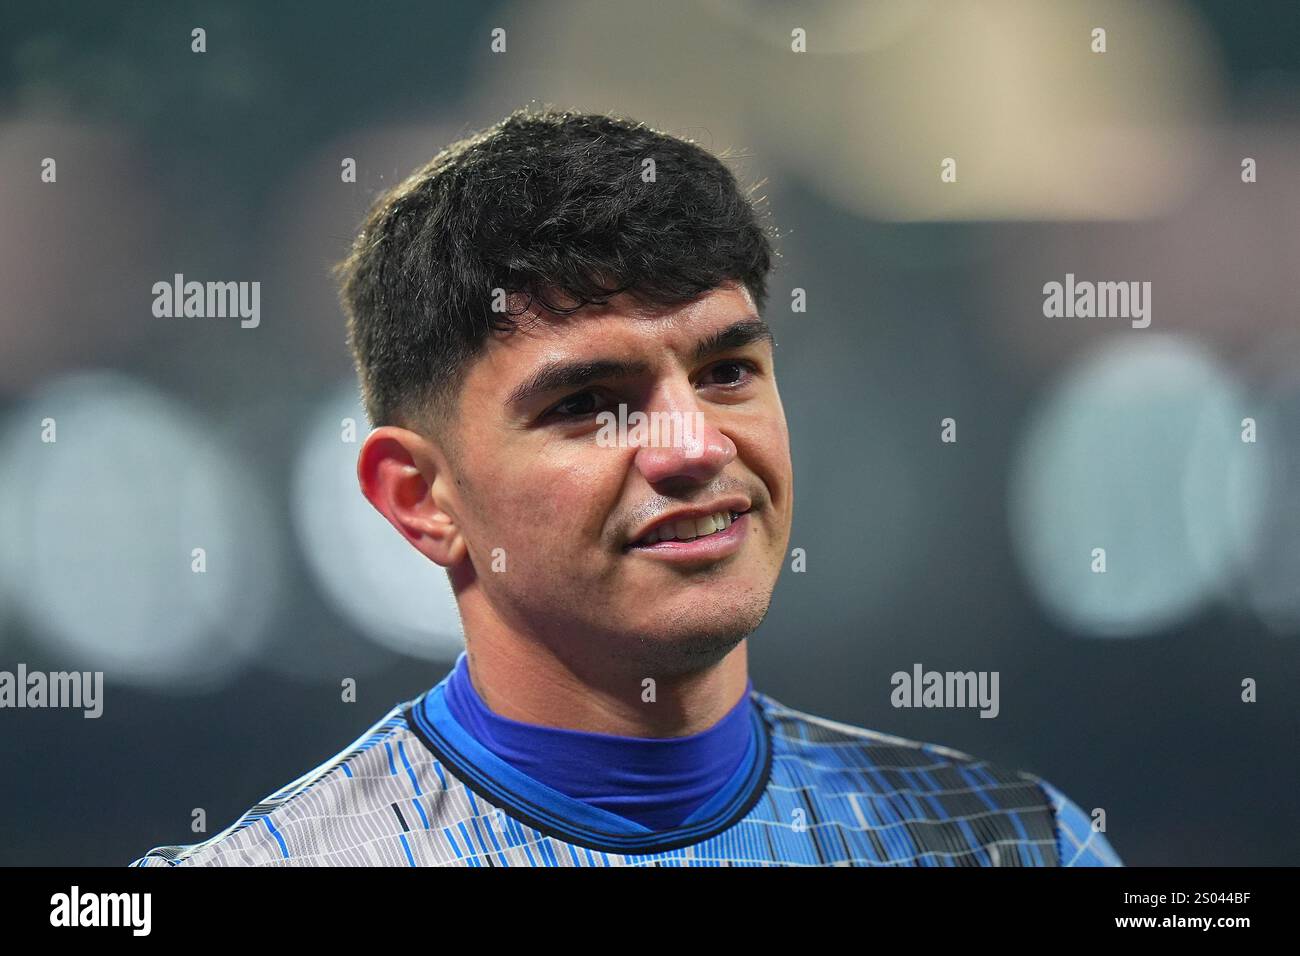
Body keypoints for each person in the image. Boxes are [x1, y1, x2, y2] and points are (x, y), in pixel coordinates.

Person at [130, 108, 1120, 867]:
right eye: (591, 402)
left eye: (728, 370)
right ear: (419, 496)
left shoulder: (1015, 840)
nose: (693, 444)